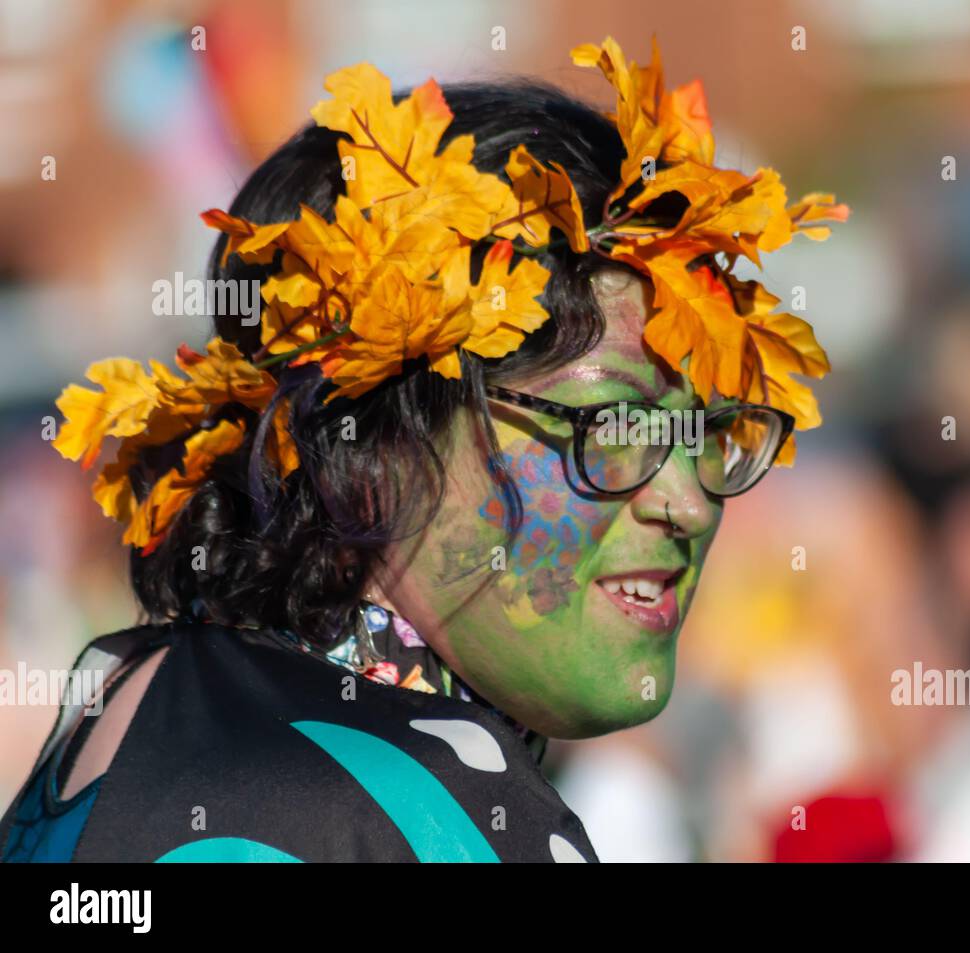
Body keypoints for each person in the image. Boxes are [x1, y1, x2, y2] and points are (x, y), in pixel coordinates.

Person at [1, 37, 845, 862]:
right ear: (377, 447)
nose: (691, 503)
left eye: (702, 432)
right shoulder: (424, 810)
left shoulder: (129, 704)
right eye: (613, 426)